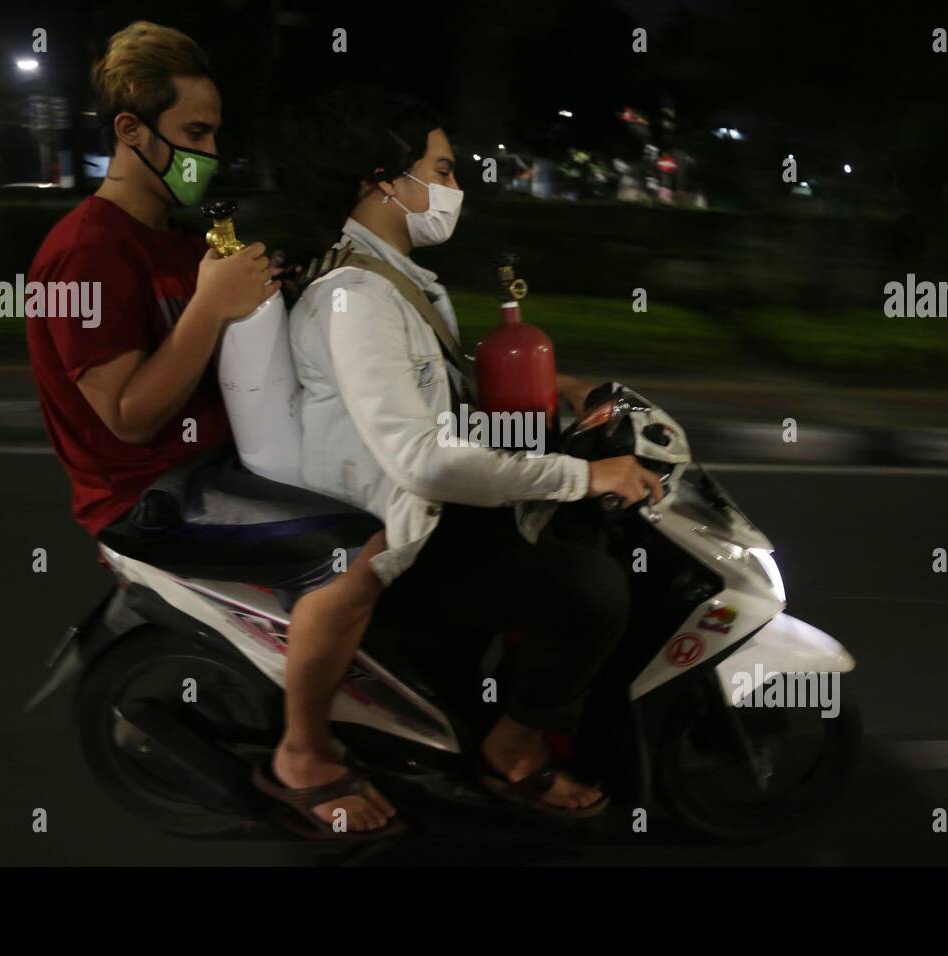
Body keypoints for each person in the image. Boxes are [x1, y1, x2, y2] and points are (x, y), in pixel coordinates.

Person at [25, 22, 399, 838]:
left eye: (214, 133)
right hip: (146, 495)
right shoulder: (81, 256)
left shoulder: (176, 237)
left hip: (219, 463)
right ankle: (301, 754)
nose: (209, 151)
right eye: (194, 134)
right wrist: (209, 305)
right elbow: (128, 418)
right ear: (132, 131)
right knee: (362, 552)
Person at [280, 88, 664, 816]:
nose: (455, 189)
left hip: (422, 502)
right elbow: (422, 457)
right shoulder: (356, 297)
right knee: (592, 591)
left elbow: (445, 406)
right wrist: (583, 474)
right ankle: (510, 752)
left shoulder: (396, 279)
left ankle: (487, 708)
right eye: (444, 170)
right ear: (387, 180)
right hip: (397, 528)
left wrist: (560, 393)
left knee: (579, 531)